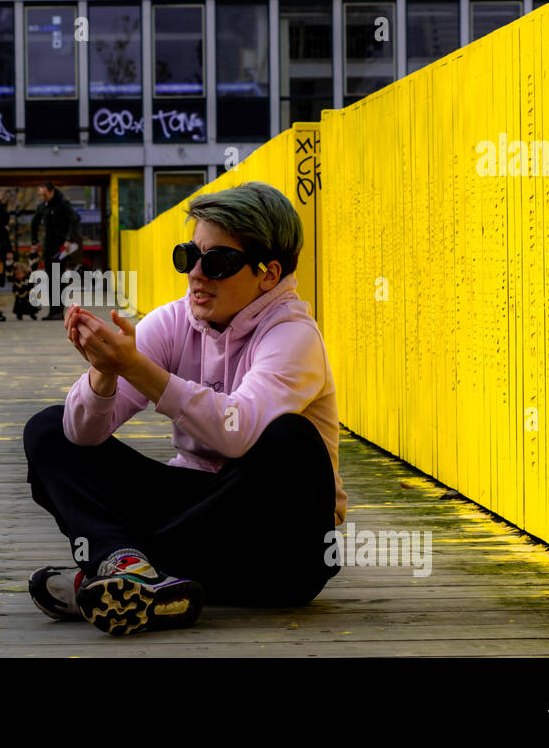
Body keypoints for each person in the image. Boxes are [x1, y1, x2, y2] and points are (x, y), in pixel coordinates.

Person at [21, 181, 346, 637]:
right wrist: (105, 374)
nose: (197, 273)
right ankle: (138, 574)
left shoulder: (293, 336)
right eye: (188, 256)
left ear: (268, 273)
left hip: (276, 551)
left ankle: (114, 569)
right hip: (194, 523)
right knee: (49, 430)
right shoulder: (175, 321)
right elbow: (82, 436)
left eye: (217, 262)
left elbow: (237, 432)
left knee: (291, 441)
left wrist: (138, 369)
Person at [29, 182, 83, 321]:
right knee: (51, 278)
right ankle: (53, 311)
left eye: (45, 194)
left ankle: (58, 310)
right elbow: (34, 223)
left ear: (52, 192)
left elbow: (74, 220)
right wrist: (34, 241)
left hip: (61, 247)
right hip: (48, 247)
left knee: (58, 278)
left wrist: (69, 239)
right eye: (41, 195)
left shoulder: (63, 204)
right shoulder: (43, 206)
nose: (43, 197)